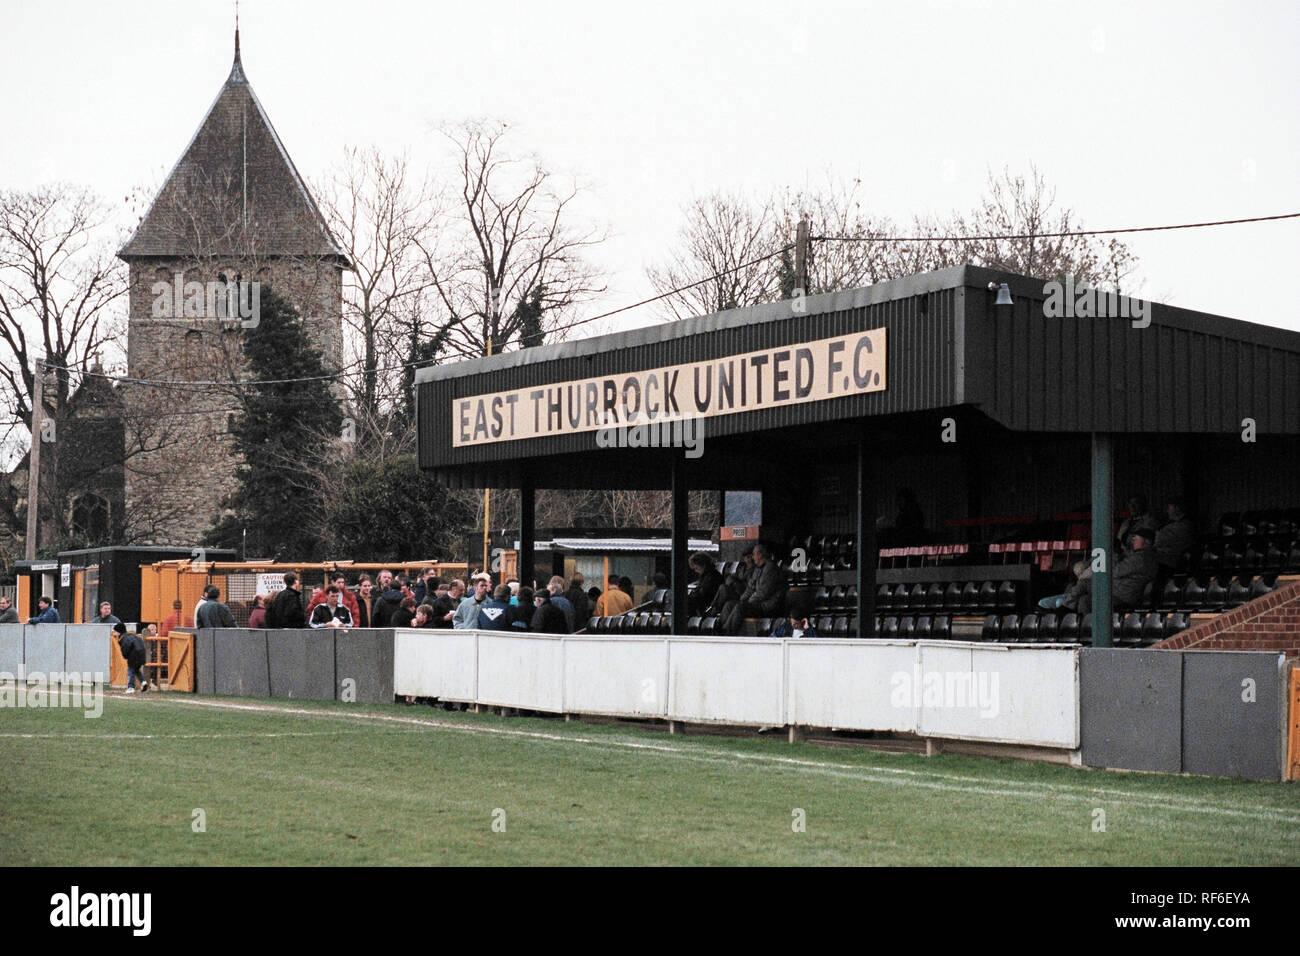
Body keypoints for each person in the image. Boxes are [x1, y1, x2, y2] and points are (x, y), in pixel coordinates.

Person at [1039, 528, 1159, 614]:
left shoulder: (1142, 558)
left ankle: (1075, 620)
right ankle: (1067, 611)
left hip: (1121, 595)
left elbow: (1116, 572)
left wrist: (1115, 557)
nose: (1133, 541)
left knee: (1084, 599)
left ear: (1146, 542)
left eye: (1136, 539)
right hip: (1116, 590)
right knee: (1084, 585)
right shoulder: (1139, 556)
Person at [720, 543, 788, 633]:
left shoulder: (770, 568)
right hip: (757, 604)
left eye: (753, 554)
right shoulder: (758, 568)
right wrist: (741, 599)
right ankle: (721, 630)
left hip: (766, 607)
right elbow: (750, 588)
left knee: (741, 607)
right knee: (729, 605)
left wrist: (747, 602)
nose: (752, 557)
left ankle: (726, 633)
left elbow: (763, 593)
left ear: (760, 555)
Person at [1155, 499, 1195, 572]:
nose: (1167, 511)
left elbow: (1158, 541)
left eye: (1169, 508)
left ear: (1177, 508)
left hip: (1169, 561)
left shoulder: (1183, 526)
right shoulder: (1172, 524)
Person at [688, 553, 724, 617]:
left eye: (696, 568)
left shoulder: (712, 576)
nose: (696, 571)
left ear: (703, 565)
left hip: (707, 603)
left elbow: (705, 593)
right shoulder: (706, 576)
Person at [117, 625, 150, 694]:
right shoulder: (133, 636)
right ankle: (143, 682)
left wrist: (125, 656)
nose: (116, 634)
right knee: (136, 670)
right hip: (141, 654)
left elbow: (125, 649)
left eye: (117, 632)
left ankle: (131, 687)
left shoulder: (124, 638)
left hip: (134, 655)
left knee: (130, 670)